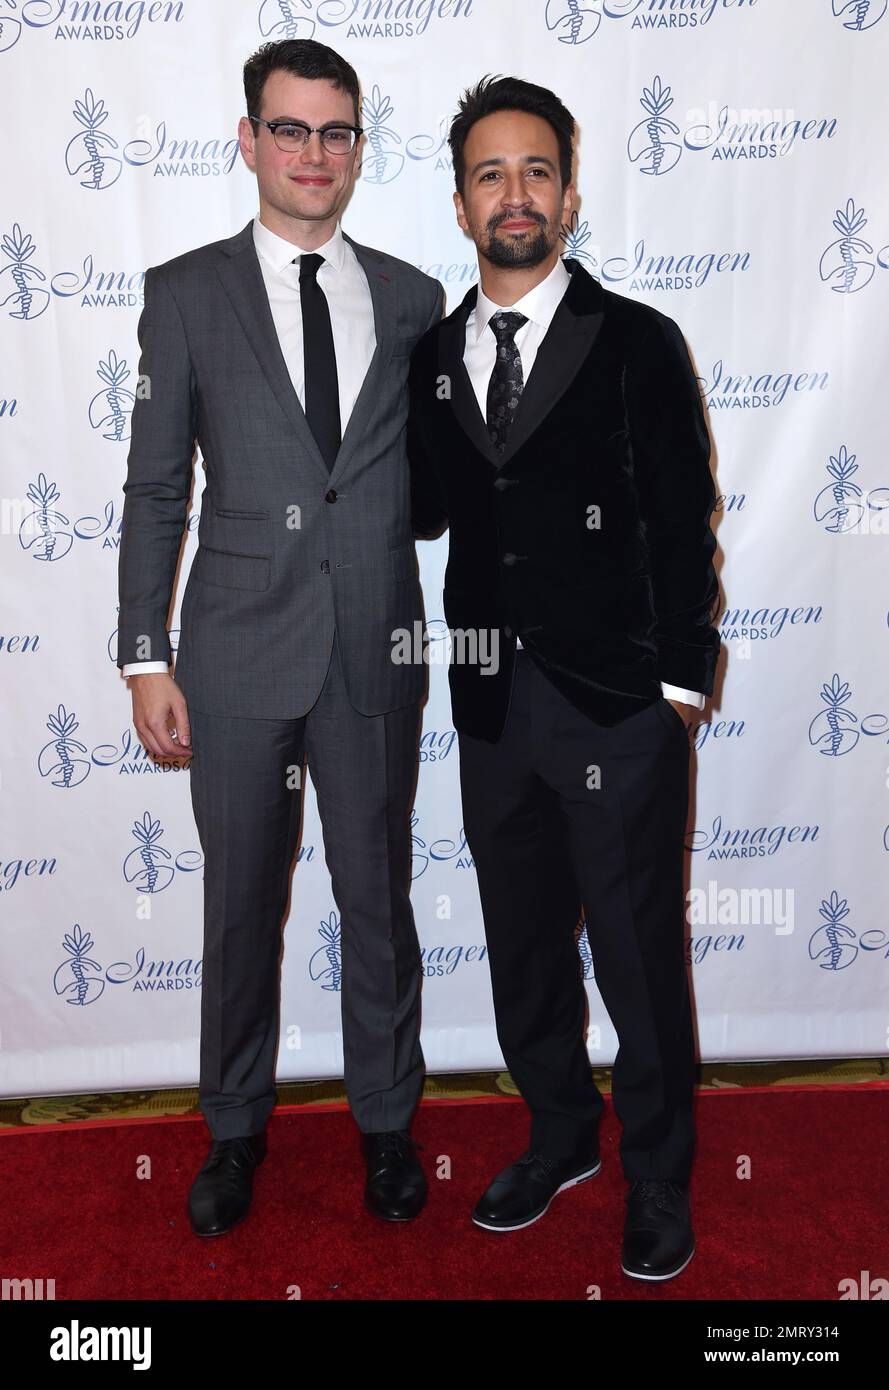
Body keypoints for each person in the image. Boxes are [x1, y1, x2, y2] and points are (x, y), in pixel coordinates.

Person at [117, 38, 444, 1236]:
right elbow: (158, 489)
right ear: (248, 140)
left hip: (373, 651)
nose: (315, 154)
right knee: (242, 905)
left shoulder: (412, 296)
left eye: (337, 131)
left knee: (377, 895)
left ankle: (388, 1126)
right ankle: (235, 1131)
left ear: (361, 146)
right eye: (291, 129)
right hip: (236, 656)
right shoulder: (185, 292)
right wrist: (142, 654)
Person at [407, 74, 721, 1281]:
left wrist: (677, 686)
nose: (515, 193)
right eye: (491, 173)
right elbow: (432, 511)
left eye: (536, 170)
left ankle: (658, 1176)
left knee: (640, 953)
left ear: (571, 194)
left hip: (618, 705)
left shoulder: (637, 339)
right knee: (523, 942)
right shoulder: (435, 353)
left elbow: (681, 518)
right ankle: (557, 1136)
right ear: (458, 203)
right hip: (490, 703)